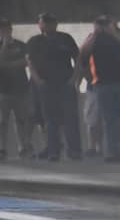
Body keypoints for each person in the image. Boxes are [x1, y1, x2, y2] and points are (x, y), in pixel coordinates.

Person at [82, 16, 120, 164]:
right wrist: (95, 33)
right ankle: (113, 152)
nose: (104, 25)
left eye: (107, 22)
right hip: (103, 84)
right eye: (101, 23)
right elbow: (83, 51)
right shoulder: (94, 37)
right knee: (109, 120)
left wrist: (113, 33)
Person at [26, 13, 82, 161]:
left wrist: (74, 79)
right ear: (40, 25)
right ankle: (53, 151)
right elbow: (30, 63)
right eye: (43, 22)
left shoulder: (65, 38)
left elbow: (78, 59)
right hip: (46, 85)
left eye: (50, 22)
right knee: (50, 119)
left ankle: (74, 150)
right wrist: (38, 81)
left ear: (55, 24)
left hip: (65, 84)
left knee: (70, 117)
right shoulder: (35, 41)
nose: (47, 25)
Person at [0, 20, 33, 160]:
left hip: (20, 88)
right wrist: (4, 45)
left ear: (11, 29)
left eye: (7, 29)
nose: (5, 32)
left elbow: (27, 62)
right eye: (1, 30)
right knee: (2, 120)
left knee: (21, 119)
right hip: (1, 89)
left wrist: (7, 65)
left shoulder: (21, 45)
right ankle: (2, 149)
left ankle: (22, 148)